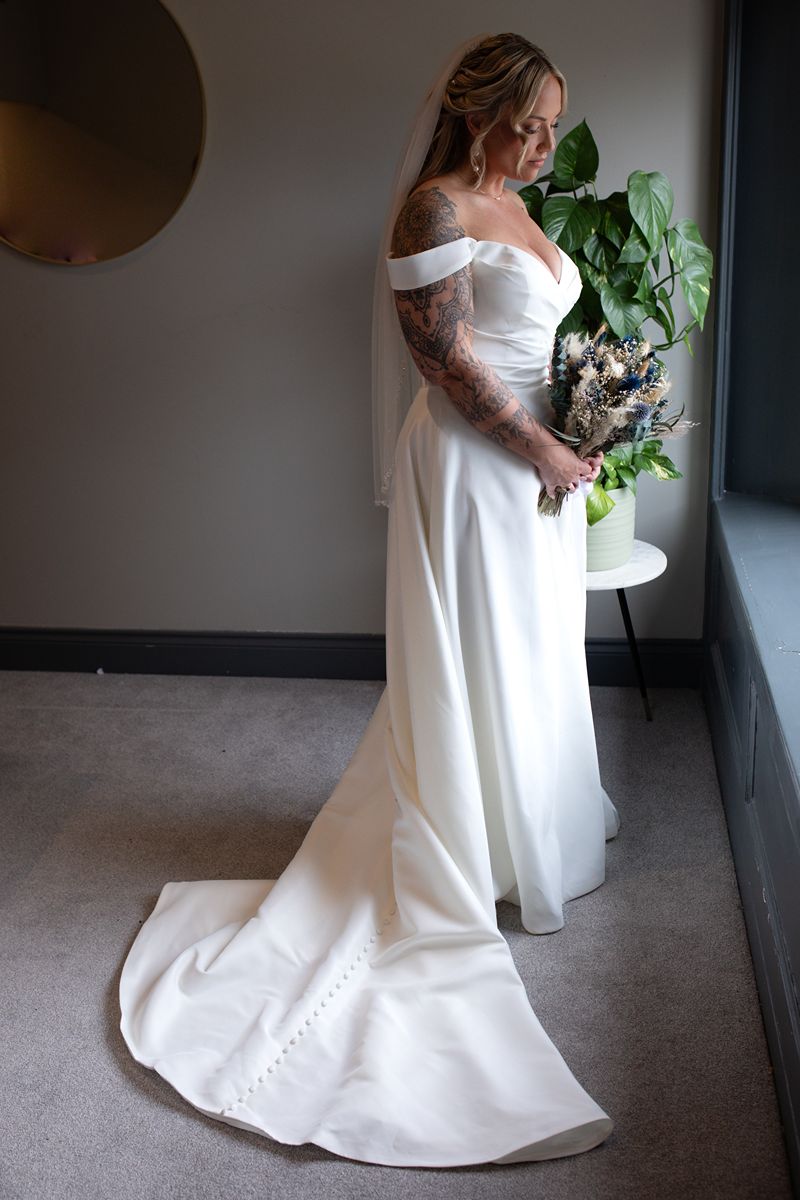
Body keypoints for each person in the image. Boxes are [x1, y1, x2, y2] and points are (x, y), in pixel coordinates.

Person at [119, 32, 620, 1168]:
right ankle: (459, 843)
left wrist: (581, 425)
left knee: (529, 651)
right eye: (527, 122)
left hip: (537, 467)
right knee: (471, 654)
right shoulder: (431, 211)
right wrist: (539, 449)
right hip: (478, 467)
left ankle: (518, 831)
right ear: (472, 108)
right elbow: (442, 360)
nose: (542, 144)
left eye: (552, 123)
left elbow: (533, 335)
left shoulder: (511, 200)